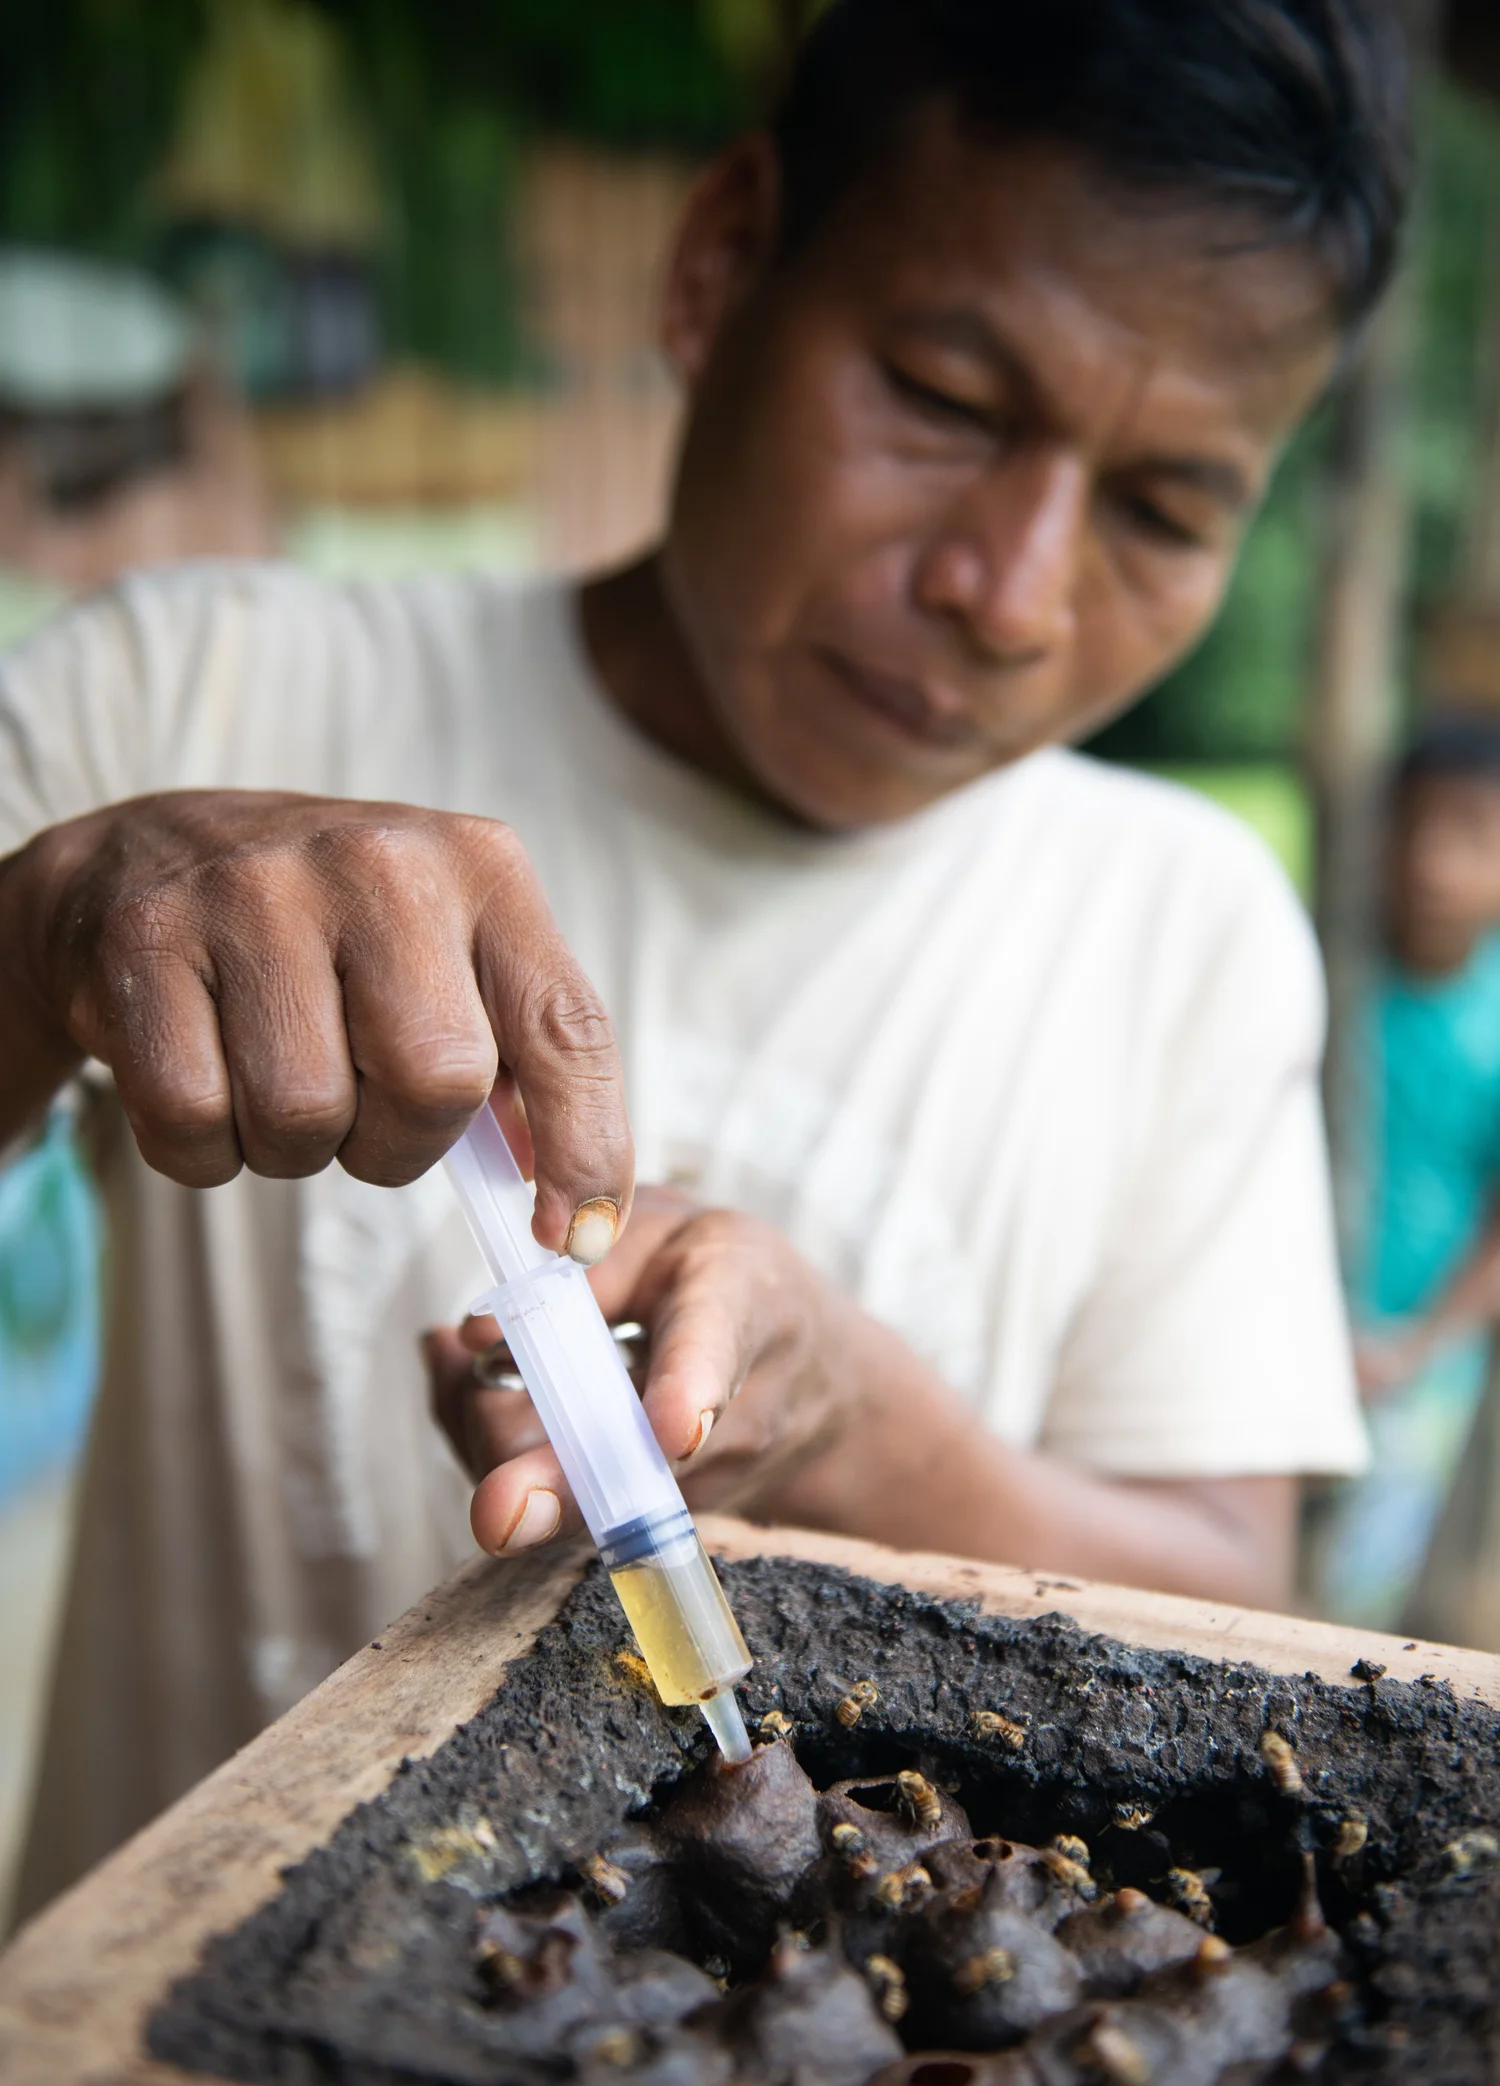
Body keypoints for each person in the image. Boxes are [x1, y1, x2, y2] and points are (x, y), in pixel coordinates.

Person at [0, 0, 1402, 1919]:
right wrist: (36, 940)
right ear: (721, 263)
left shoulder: (1177, 929)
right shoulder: (180, 692)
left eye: (1161, 508)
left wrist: (858, 1427)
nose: (1009, 590)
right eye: (942, 398)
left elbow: (1237, 1614)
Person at [1313, 711, 1500, 1628]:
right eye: (1414, 825)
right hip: (1293, 1325)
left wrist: (1415, 1348)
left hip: (1421, 1360)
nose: (1433, 859)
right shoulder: (1327, 977)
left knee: (1353, 1602)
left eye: (1471, 832)